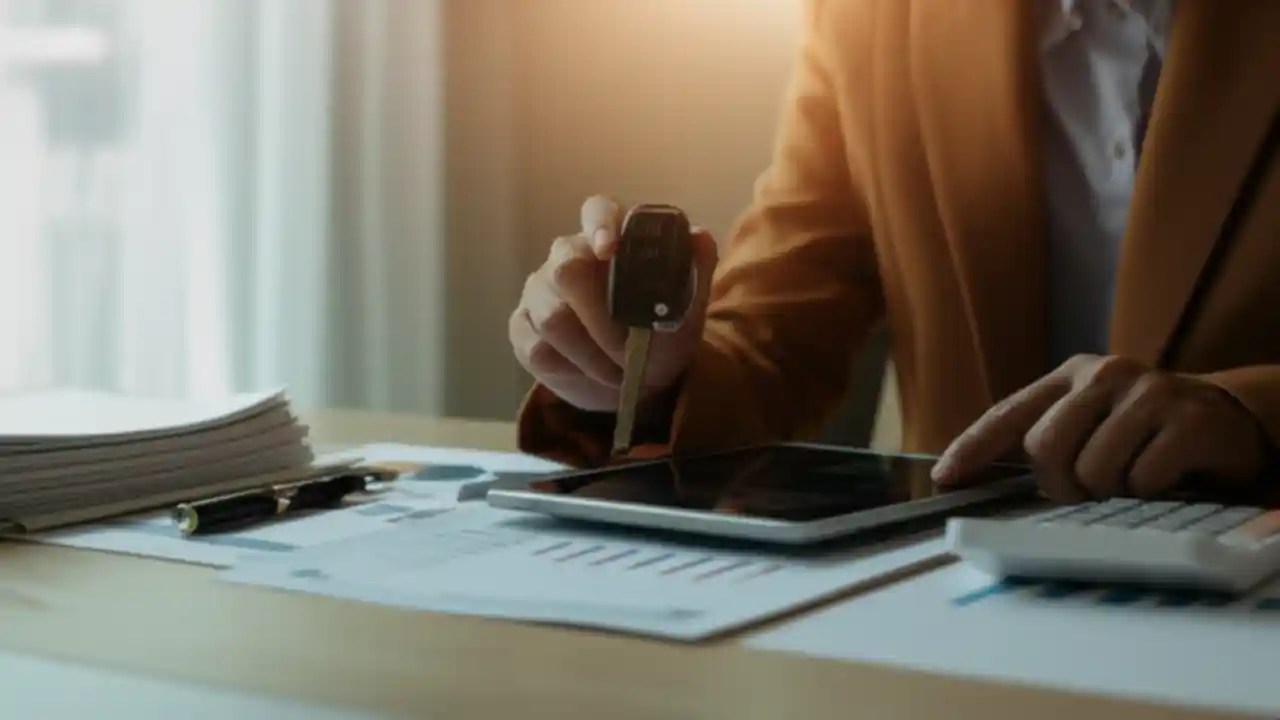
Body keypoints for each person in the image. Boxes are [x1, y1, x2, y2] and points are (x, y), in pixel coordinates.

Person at [508, 0, 1280, 502]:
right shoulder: (872, 18)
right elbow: (773, 339)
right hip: (955, 613)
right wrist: (642, 375)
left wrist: (1250, 414)